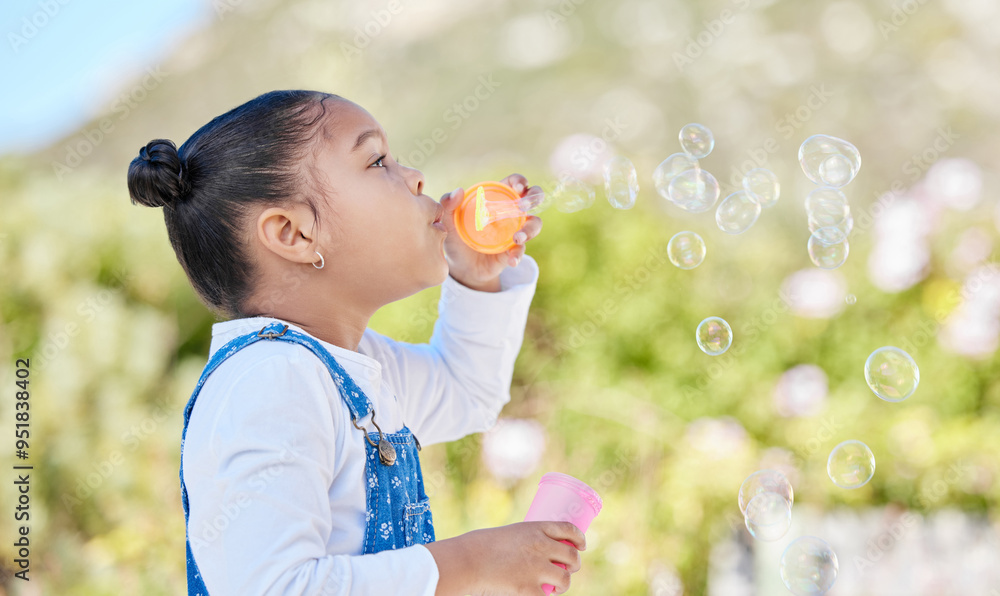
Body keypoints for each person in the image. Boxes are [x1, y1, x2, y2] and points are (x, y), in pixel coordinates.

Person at [126, 90, 585, 596]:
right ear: (294, 233)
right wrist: (473, 562)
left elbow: (466, 392)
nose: (415, 177)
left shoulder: (354, 368)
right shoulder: (270, 378)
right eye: (378, 161)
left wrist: (474, 278)